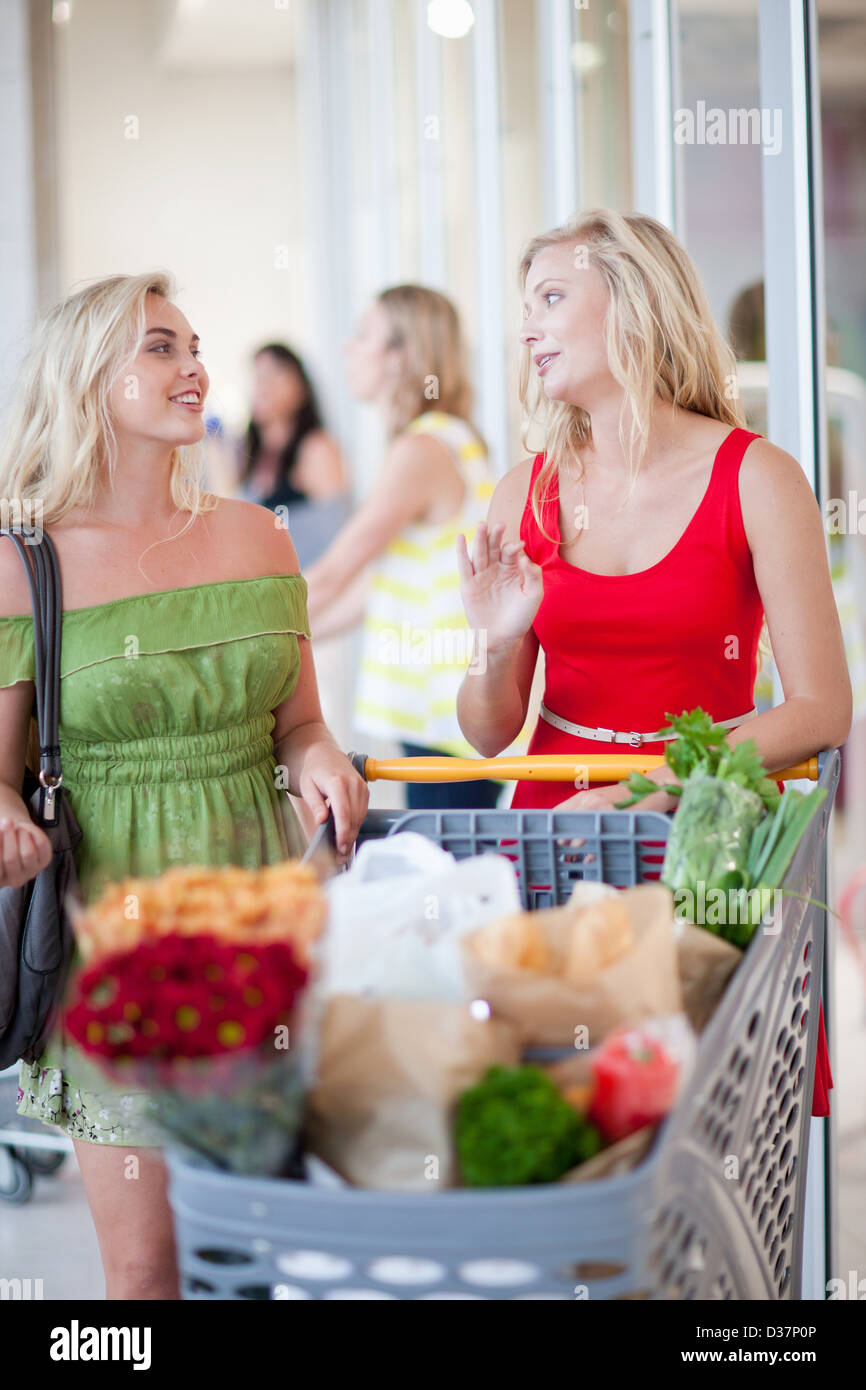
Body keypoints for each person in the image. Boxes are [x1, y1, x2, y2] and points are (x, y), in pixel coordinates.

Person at [0, 272, 368, 1299]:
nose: (193, 364)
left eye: (194, 343)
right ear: (88, 376)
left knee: (271, 1255)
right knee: (149, 1266)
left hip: (267, 925)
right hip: (111, 949)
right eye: (160, 346)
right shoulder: (24, 564)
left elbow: (298, 725)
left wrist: (322, 762)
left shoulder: (256, 534)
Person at [455, 208, 851, 1118]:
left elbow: (823, 708)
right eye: (527, 305)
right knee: (569, 1117)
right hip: (556, 830)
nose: (529, 328)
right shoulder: (527, 489)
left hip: (705, 826)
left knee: (712, 1121)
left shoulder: (758, 477)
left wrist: (650, 790)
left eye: (553, 298)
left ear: (630, 303)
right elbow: (487, 735)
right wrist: (499, 641)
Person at [305, 284, 501, 810]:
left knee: (449, 873)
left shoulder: (423, 448)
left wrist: (231, 637)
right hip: (446, 714)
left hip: (450, 720)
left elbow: (332, 574)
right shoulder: (446, 438)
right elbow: (374, 589)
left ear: (401, 357)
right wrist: (288, 641)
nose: (349, 348)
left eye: (363, 335)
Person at [237, 342, 348, 569]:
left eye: (273, 375)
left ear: (301, 389)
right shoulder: (250, 455)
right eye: (257, 376)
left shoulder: (317, 449)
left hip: (308, 589)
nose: (262, 387)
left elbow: (338, 536)